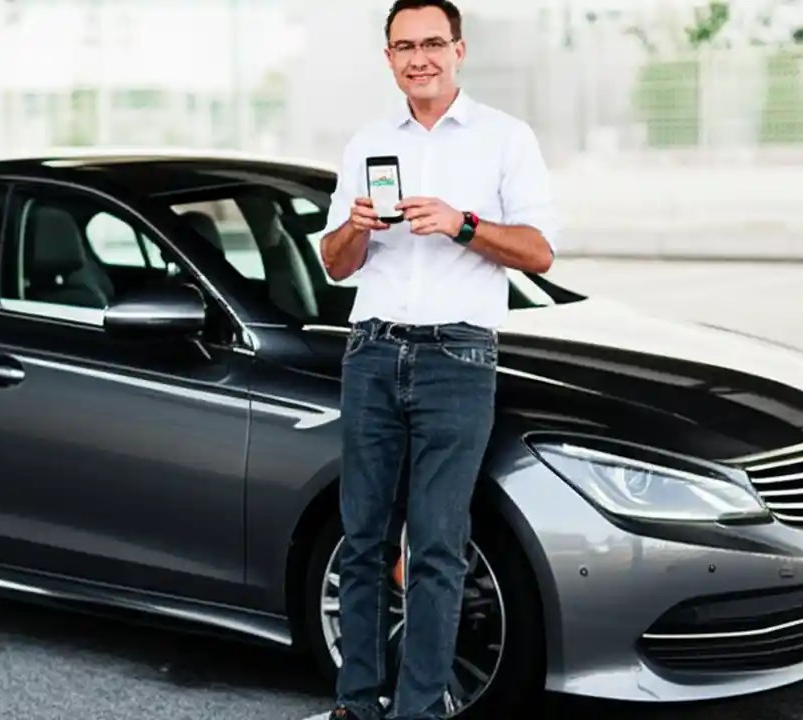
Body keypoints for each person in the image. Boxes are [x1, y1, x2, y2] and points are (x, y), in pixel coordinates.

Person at [315, 1, 560, 719]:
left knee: (436, 546)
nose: (418, 58)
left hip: (458, 356)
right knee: (360, 541)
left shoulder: (505, 139)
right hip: (371, 350)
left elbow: (540, 252)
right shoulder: (365, 142)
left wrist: (463, 224)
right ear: (387, 58)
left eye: (431, 44)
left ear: (459, 50)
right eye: (403, 47)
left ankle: (418, 709)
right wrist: (355, 229)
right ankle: (355, 705)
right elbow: (334, 266)